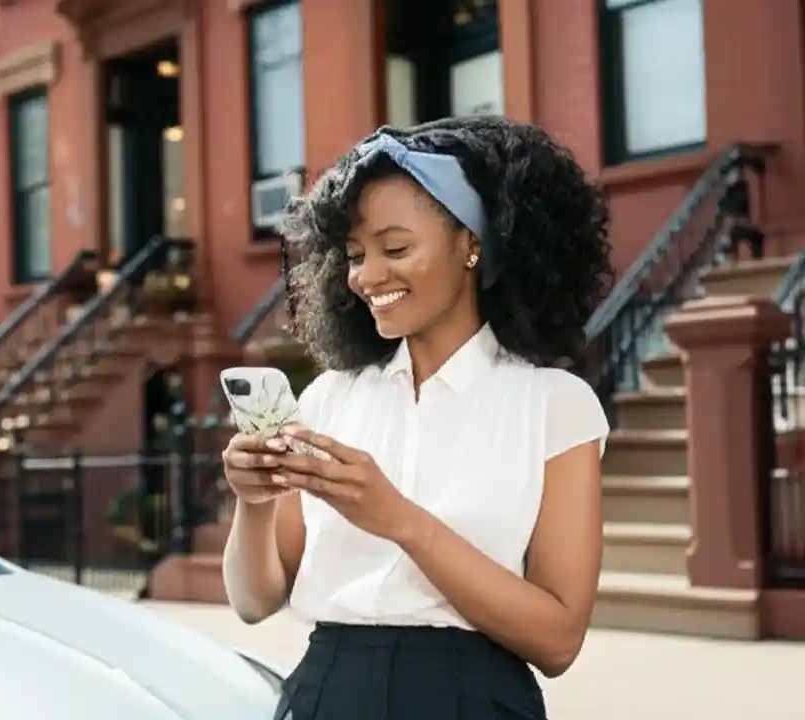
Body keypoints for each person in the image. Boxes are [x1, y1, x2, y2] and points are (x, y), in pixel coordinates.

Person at [220, 115, 613, 719]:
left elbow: (558, 640)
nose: (367, 276)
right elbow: (253, 600)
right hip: (327, 694)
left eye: (395, 248)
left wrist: (399, 519)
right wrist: (252, 501)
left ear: (471, 245)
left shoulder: (554, 406)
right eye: (354, 254)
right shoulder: (330, 397)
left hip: (472, 700)